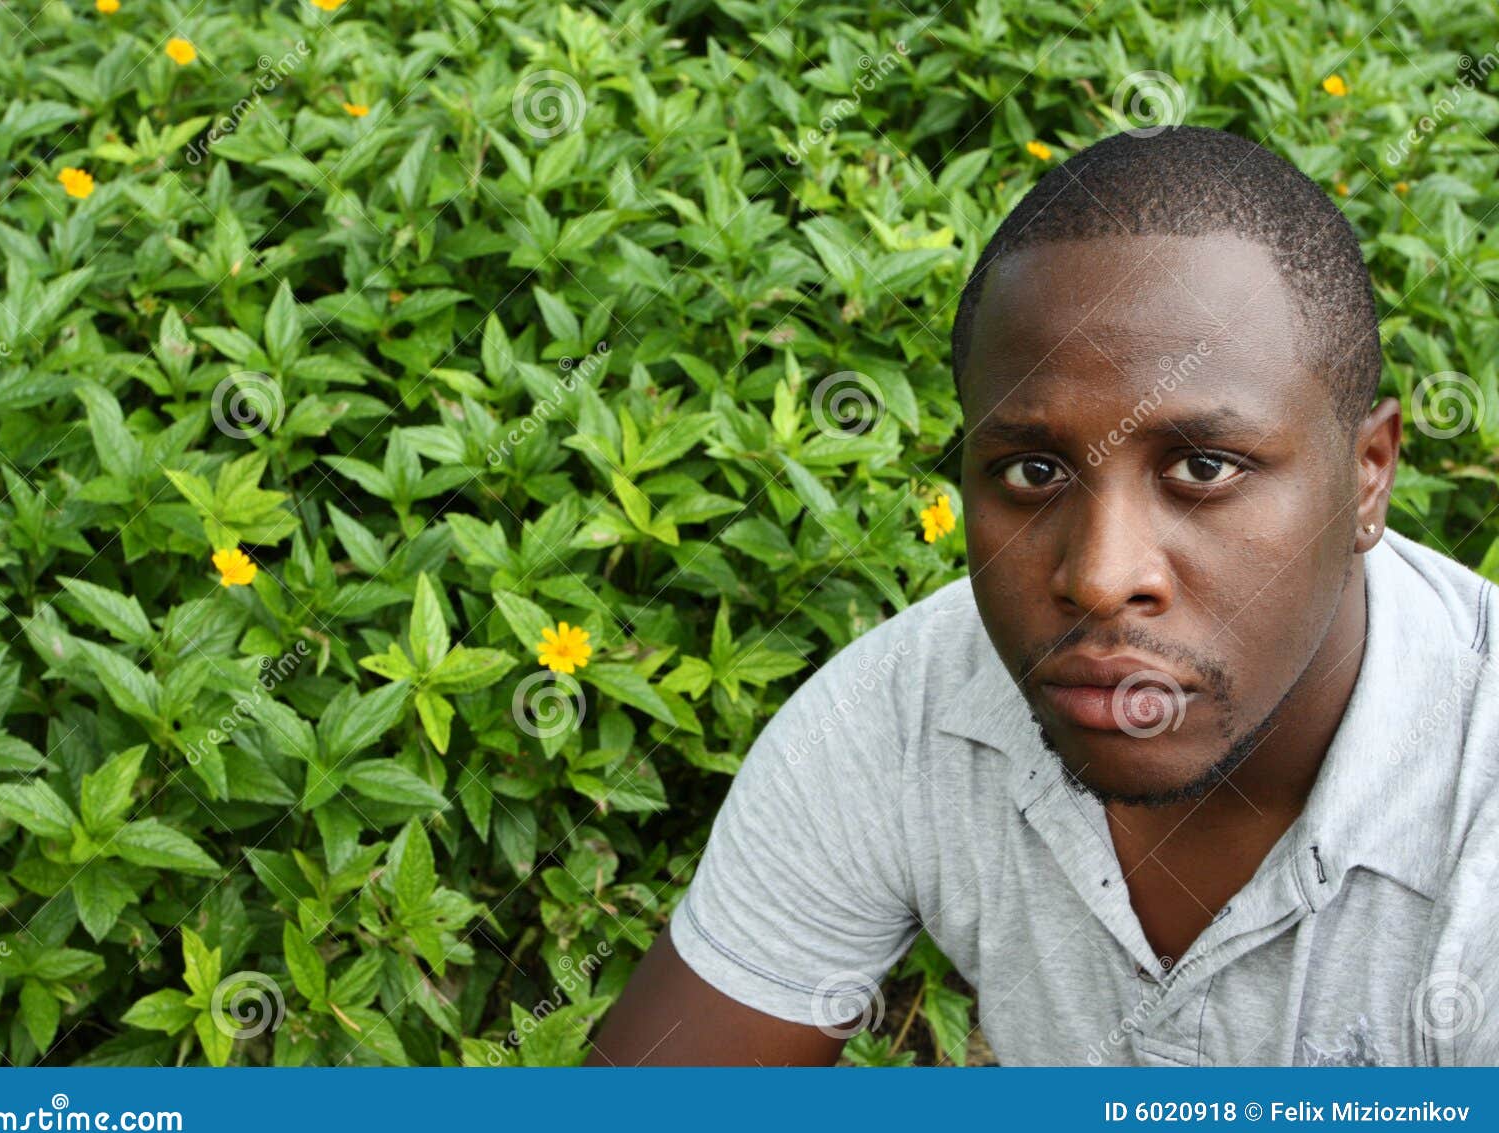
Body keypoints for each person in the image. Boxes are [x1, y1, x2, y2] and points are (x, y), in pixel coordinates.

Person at [586, 126, 1499, 1067]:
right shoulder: (905, 717)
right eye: (1032, 469)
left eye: (1202, 466)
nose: (1100, 578)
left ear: (1367, 476)